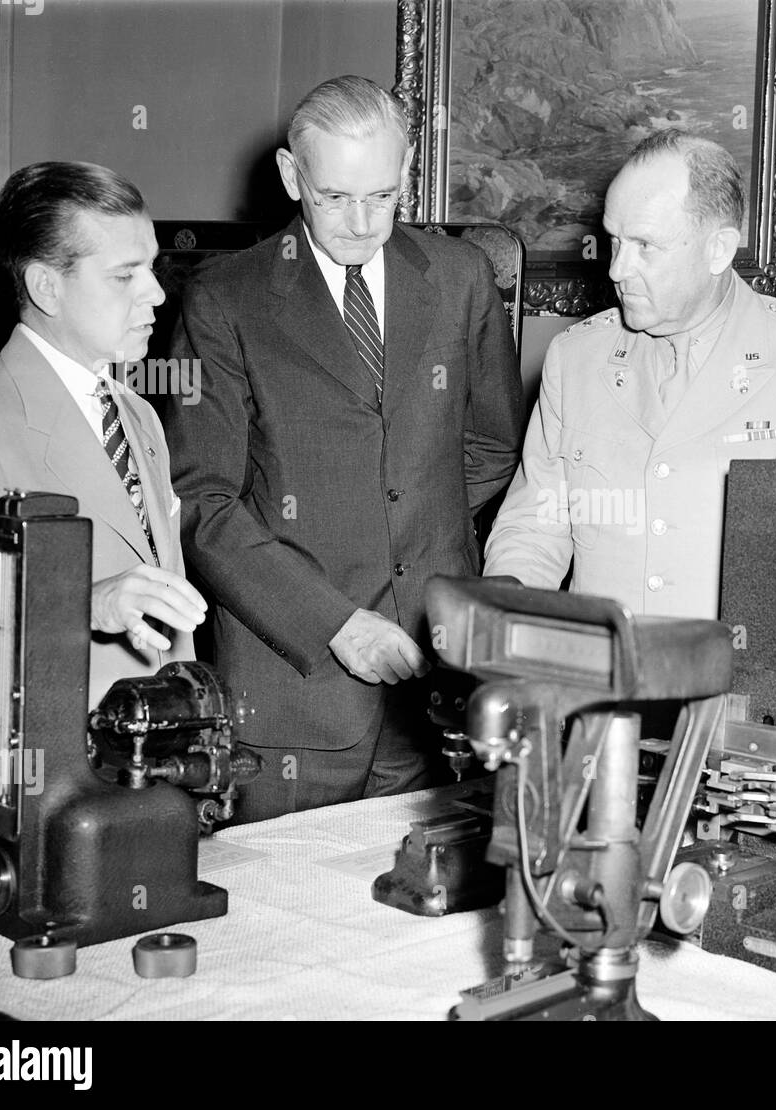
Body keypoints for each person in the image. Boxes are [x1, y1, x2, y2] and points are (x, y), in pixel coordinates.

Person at [166, 76, 524, 822]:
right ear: (292, 177)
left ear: (409, 170)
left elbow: (490, 445)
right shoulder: (224, 298)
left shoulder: (461, 278)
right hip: (290, 689)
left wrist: (418, 537)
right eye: (333, 198)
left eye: (384, 196)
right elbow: (203, 500)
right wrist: (333, 620)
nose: (362, 224)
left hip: (432, 685)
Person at [484, 129, 776, 618]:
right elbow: (534, 527)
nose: (617, 269)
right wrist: (502, 626)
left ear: (718, 249)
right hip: (602, 682)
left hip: (740, 685)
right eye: (614, 241)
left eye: (646, 245)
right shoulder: (576, 358)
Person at [0, 162, 207, 873]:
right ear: (45, 286)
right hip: (31, 813)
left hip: (139, 786)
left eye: (153, 268)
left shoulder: (138, 415)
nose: (155, 294)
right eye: (125, 275)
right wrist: (86, 604)